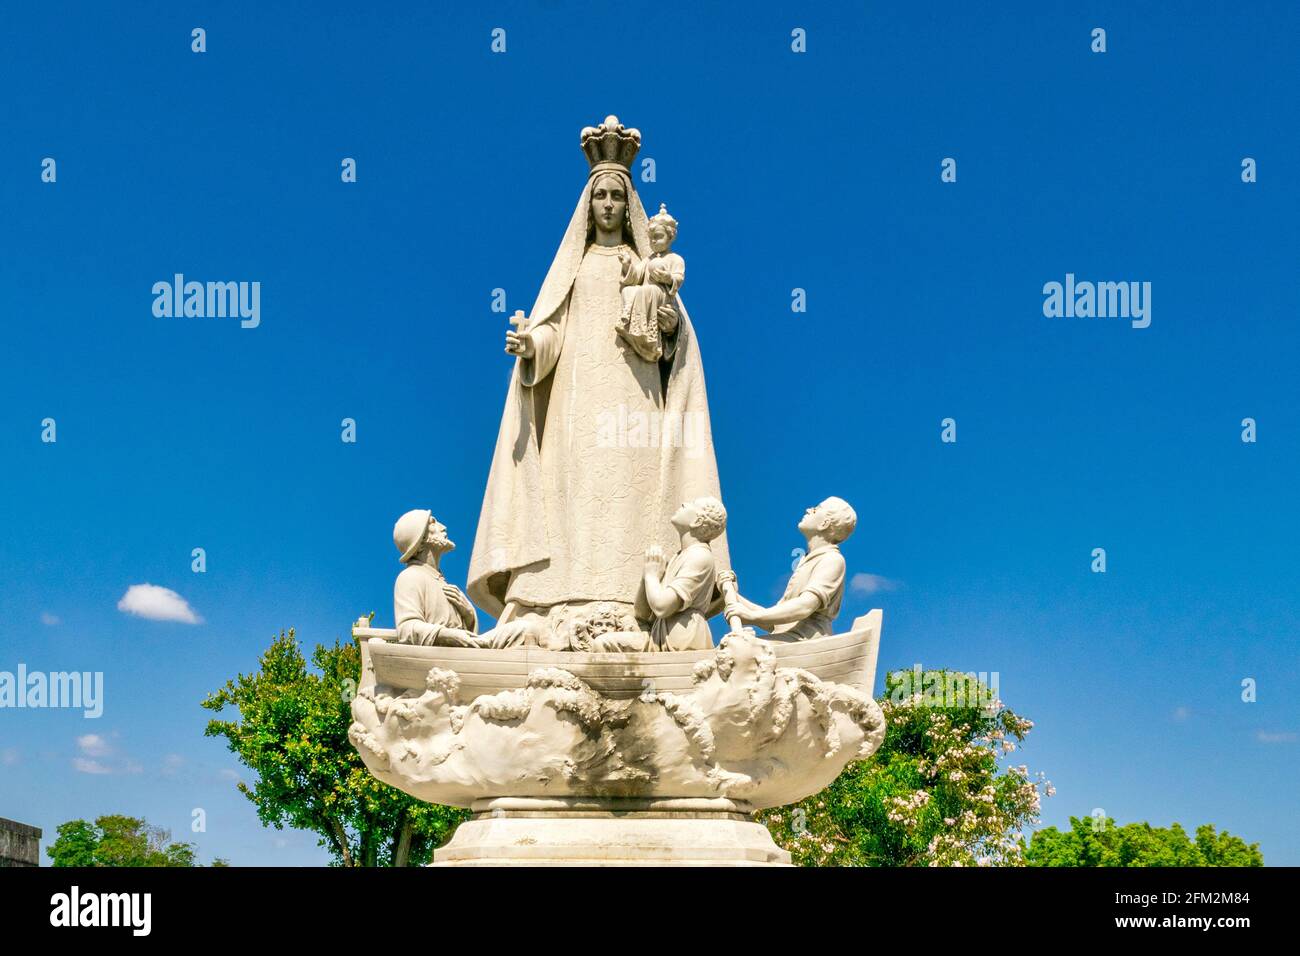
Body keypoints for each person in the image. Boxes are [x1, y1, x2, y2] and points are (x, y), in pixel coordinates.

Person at [468, 116, 727, 636]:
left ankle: (634, 598)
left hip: (636, 404)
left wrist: (668, 327)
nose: (607, 204)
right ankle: (562, 599)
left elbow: (676, 345)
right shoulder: (577, 267)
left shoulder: (645, 265)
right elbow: (553, 333)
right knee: (575, 490)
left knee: (632, 492)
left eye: (615, 196)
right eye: (600, 196)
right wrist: (530, 346)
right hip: (576, 405)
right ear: (588, 205)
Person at [391, 509, 544, 649]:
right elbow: (406, 628)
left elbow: (467, 634)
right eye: (433, 523)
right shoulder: (410, 576)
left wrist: (468, 613)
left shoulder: (439, 579)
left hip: (463, 649)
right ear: (421, 539)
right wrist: (448, 635)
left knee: (530, 629)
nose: (443, 527)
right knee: (526, 630)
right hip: (442, 654)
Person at [592, 497, 725, 653]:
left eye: (692, 505)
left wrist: (651, 576)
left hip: (681, 640)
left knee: (604, 644)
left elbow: (662, 607)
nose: (684, 503)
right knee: (602, 643)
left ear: (696, 521)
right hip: (659, 634)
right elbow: (642, 613)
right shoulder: (680, 555)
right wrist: (648, 575)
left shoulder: (700, 557)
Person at [724, 497, 857, 641]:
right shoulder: (806, 561)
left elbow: (805, 606)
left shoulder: (832, 560)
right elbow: (776, 623)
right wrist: (731, 594)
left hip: (804, 641)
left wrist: (752, 616)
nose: (808, 510)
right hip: (788, 637)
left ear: (824, 524)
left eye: (816, 509)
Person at [616, 203, 684, 362]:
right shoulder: (649, 259)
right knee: (628, 291)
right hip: (648, 292)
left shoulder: (675, 259)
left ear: (670, 236)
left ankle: (647, 336)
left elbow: (678, 278)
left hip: (660, 295)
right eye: (651, 238)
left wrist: (668, 278)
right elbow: (636, 276)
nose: (654, 241)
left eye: (658, 237)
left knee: (648, 291)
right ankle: (630, 325)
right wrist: (627, 264)